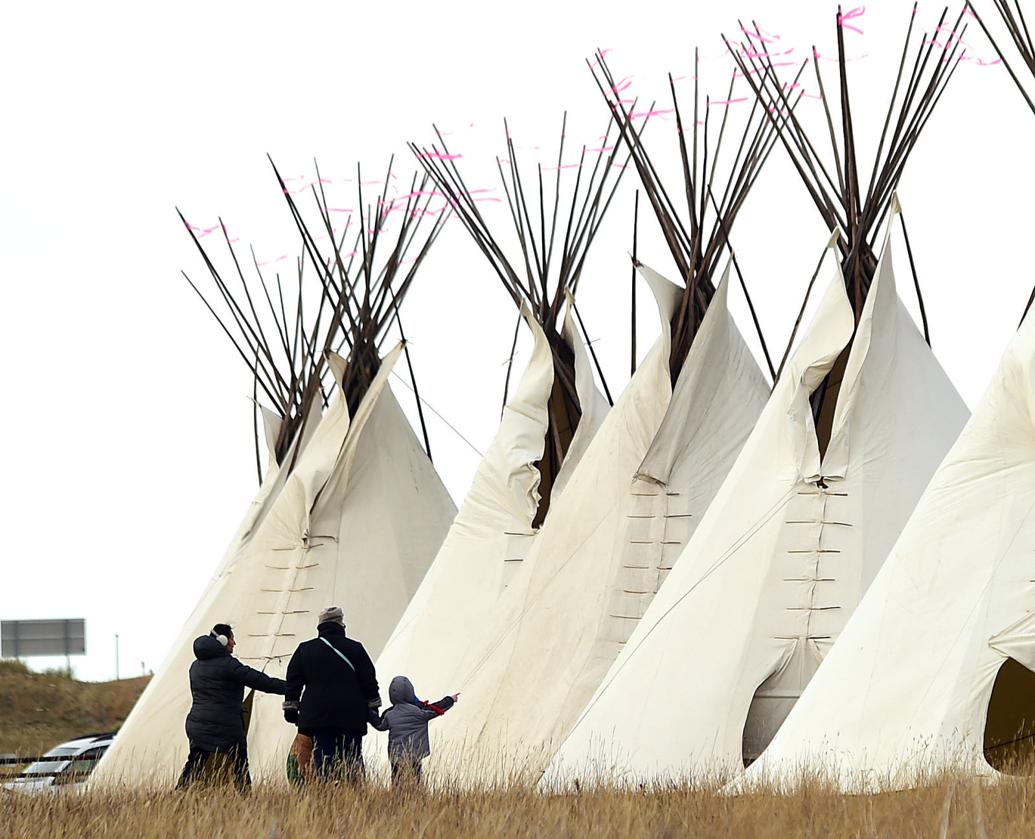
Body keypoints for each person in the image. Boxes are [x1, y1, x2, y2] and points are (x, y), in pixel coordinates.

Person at [176, 623, 288, 790]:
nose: (234, 643)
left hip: (197, 724)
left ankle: (178, 795)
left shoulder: (195, 666)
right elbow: (260, 681)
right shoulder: (229, 665)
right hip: (225, 725)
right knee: (240, 763)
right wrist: (290, 687)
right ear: (222, 640)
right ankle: (246, 801)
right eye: (232, 639)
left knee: (195, 762)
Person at [282, 606, 380, 782]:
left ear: (320, 626)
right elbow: (369, 681)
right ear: (341, 625)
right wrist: (373, 706)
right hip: (351, 714)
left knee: (323, 759)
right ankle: (353, 798)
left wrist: (291, 707)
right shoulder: (355, 649)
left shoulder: (305, 650)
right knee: (352, 759)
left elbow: (293, 681)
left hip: (318, 715)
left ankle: (327, 793)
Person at [369, 675, 458, 788]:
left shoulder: (390, 713)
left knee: (397, 783)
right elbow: (437, 708)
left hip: (396, 756)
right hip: (415, 755)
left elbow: (380, 725)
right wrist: (450, 699)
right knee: (416, 781)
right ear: (410, 692)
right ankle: (415, 800)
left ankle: (398, 802)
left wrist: (369, 712)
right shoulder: (420, 711)